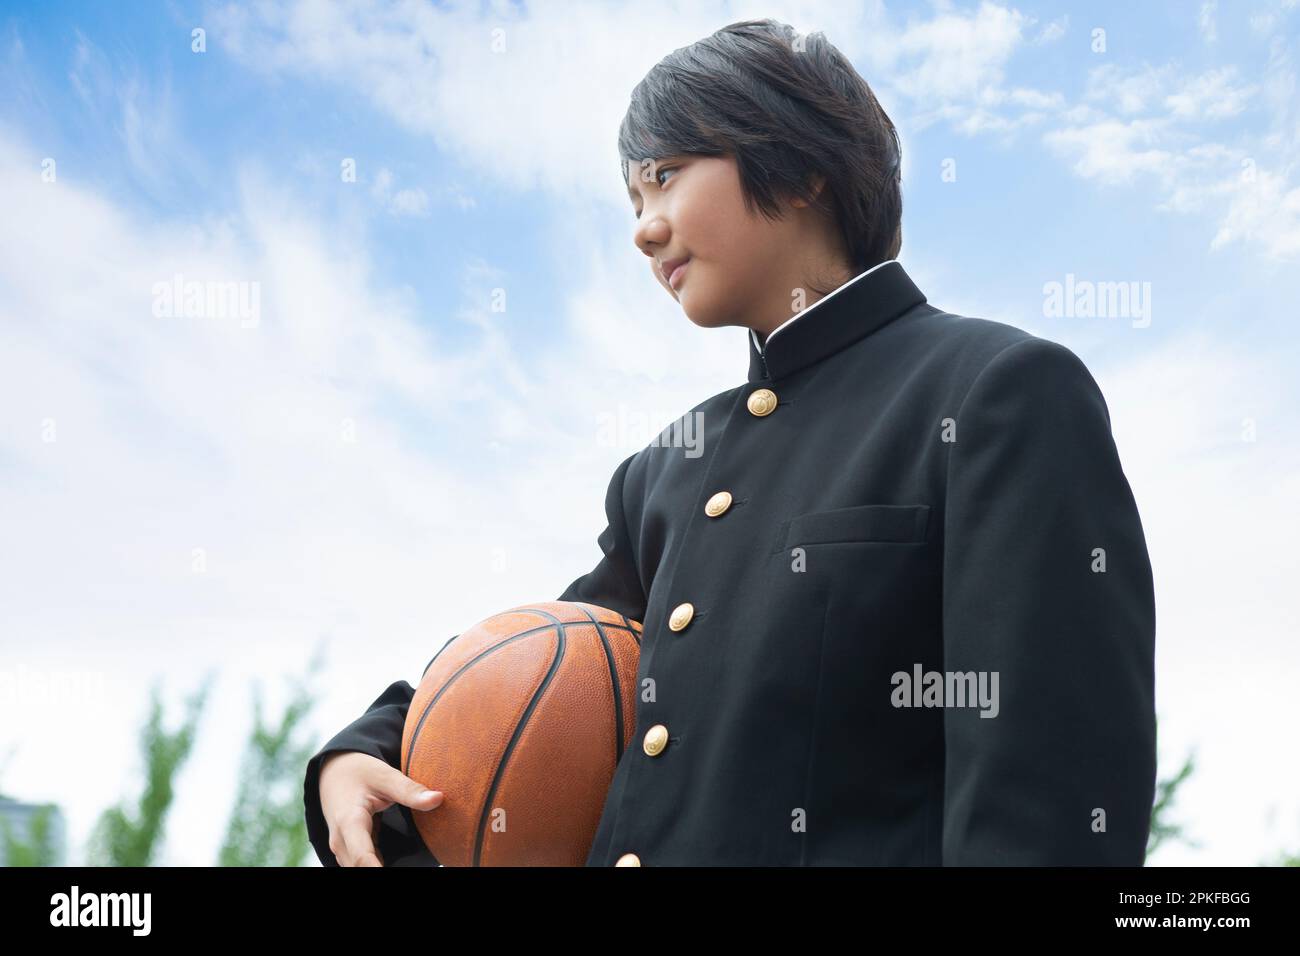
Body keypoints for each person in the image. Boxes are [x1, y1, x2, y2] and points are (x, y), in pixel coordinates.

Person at [305, 17, 1157, 867]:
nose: (643, 228)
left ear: (801, 169)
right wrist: (364, 751)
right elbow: (534, 670)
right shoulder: (664, 470)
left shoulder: (997, 390)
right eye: (635, 201)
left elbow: (1045, 810)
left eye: (666, 177)